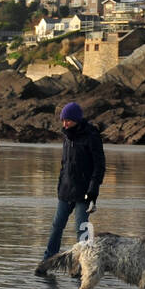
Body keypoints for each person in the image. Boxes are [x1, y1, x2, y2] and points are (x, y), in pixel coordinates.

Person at [35, 100, 105, 275]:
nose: (65, 124)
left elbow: (99, 166)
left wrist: (93, 190)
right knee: (57, 226)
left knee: (82, 228)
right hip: (66, 190)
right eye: (63, 120)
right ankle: (48, 260)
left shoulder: (91, 136)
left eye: (68, 120)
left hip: (84, 192)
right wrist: (60, 184)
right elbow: (64, 163)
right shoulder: (66, 136)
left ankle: (83, 265)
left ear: (77, 120)